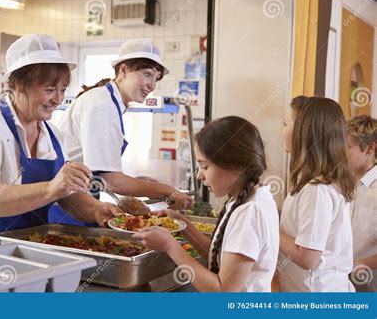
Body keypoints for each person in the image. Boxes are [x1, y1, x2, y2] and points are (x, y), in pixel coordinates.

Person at [0, 34, 120, 256]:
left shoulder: (53, 134)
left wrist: (96, 210)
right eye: (50, 89)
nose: (58, 99)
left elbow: (65, 193)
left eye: (62, 90)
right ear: (20, 85)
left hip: (24, 248)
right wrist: (50, 187)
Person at [51, 38, 192, 222]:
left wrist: (139, 182)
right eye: (147, 74)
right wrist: (168, 190)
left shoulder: (110, 102)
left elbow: (101, 173)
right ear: (123, 70)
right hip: (70, 208)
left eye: (156, 78)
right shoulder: (102, 105)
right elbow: (113, 181)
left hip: (83, 200)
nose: (152, 85)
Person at [132, 116, 279, 292]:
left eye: (205, 166)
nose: (200, 175)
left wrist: (170, 246)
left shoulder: (250, 212)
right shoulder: (244, 199)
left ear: (235, 165)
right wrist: (183, 225)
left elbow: (222, 291)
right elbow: (218, 255)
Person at [278, 96, 356, 292]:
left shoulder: (317, 189)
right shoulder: (311, 182)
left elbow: (308, 259)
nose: (282, 131)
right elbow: (299, 228)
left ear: (304, 134)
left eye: (285, 123)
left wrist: (270, 225)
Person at [347, 115, 376, 292]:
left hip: (369, 286)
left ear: (370, 148)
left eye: (348, 147)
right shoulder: (341, 183)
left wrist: (359, 263)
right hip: (341, 282)